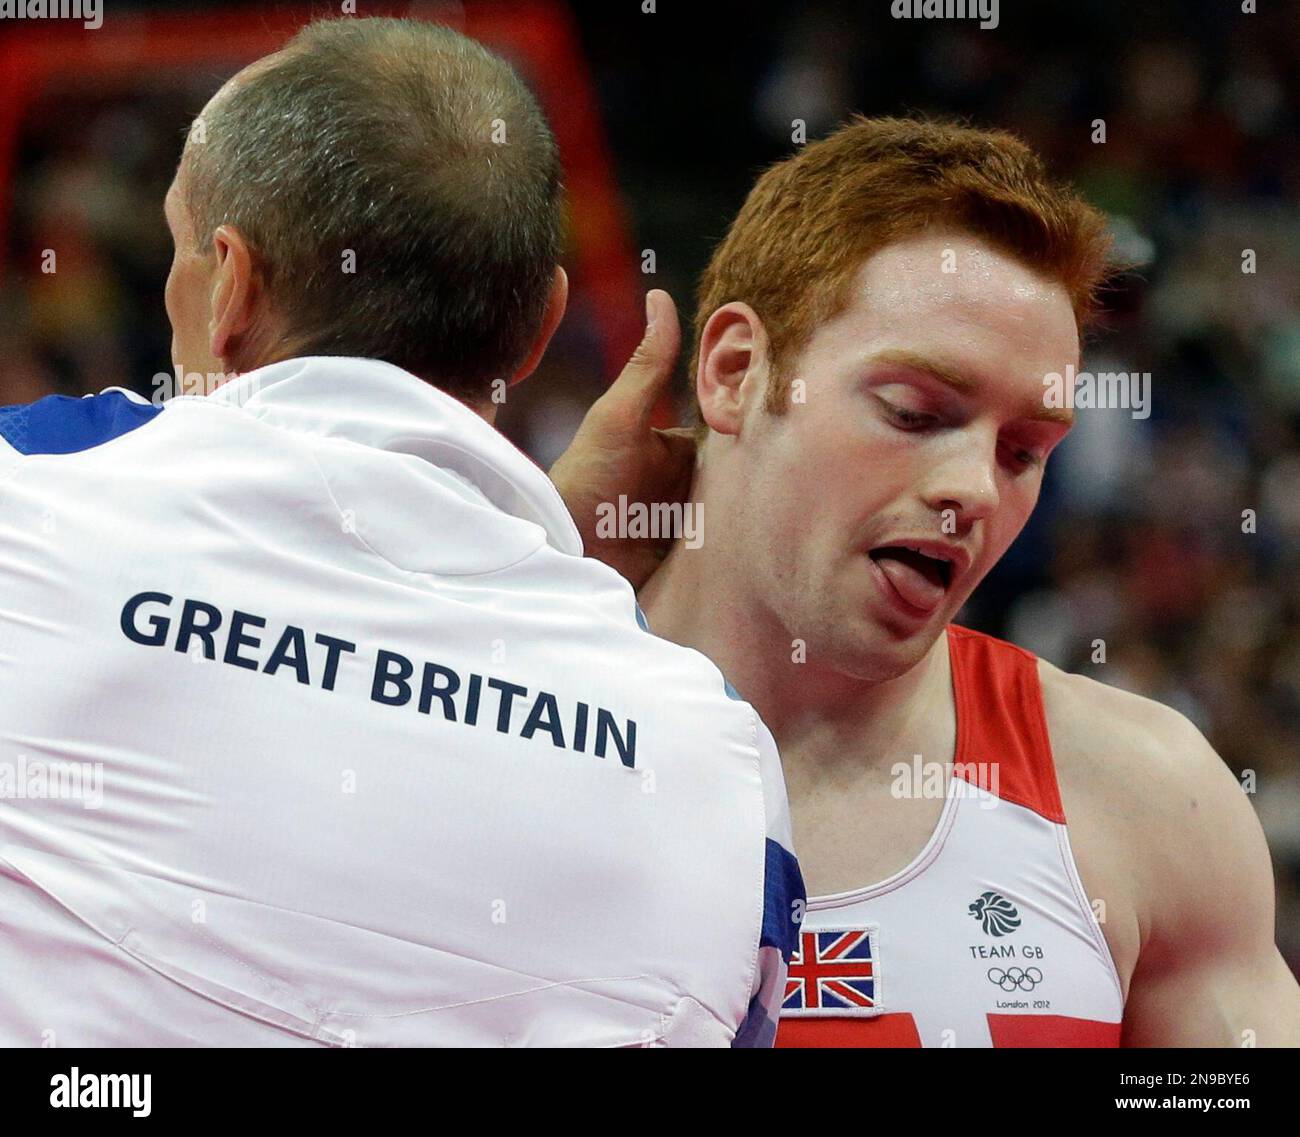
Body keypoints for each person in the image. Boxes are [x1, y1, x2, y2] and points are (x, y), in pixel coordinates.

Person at [0, 17, 801, 1048]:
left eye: (179, 252)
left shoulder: (38, 494)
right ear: (543, 321)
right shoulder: (720, 765)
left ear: (230, 284)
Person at [552, 116, 1300, 1046]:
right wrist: (531, 549)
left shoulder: (1146, 796)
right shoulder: (482, 726)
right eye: (916, 412)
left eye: (1025, 451)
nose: (974, 489)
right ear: (737, 372)